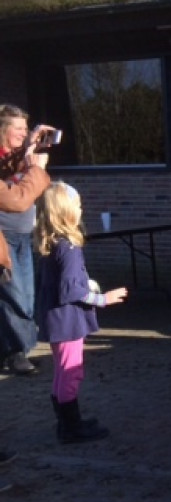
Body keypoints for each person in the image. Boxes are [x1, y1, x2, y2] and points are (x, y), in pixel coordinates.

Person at [34, 181, 128, 444]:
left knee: (62, 372)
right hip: (67, 322)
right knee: (72, 372)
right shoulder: (70, 249)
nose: (81, 208)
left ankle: (67, 423)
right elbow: (71, 290)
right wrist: (102, 299)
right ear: (67, 212)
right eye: (77, 204)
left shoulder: (52, 245)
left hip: (55, 320)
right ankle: (71, 428)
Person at [0, 104, 57, 375]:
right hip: (4, 237)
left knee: (25, 296)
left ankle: (15, 351)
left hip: (22, 234)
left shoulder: (8, 156)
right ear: (3, 131)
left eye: (26, 128)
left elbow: (8, 166)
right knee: (17, 297)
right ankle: (16, 353)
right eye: (19, 129)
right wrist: (36, 169)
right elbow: (18, 199)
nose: (24, 133)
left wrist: (30, 145)